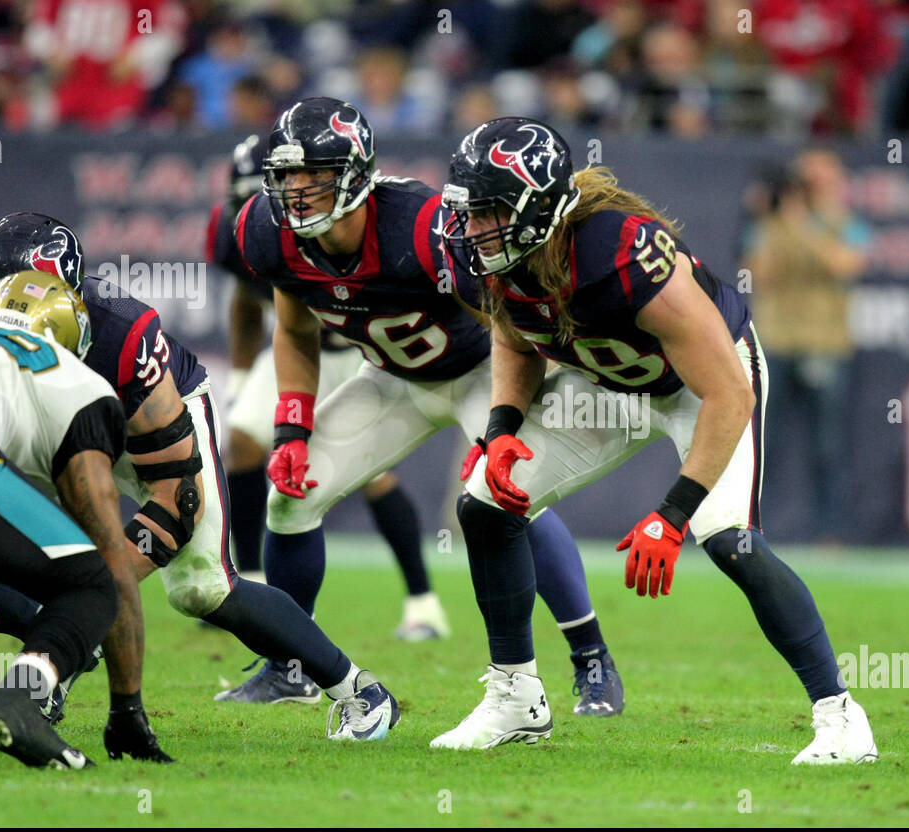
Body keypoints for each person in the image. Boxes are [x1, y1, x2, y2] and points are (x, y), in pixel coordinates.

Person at [433, 117, 877, 763]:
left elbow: (729, 394)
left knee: (732, 541)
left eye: (491, 211)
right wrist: (502, 430)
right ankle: (515, 698)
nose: (473, 228)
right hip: (607, 385)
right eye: (470, 212)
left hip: (706, 386)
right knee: (485, 504)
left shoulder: (620, 251)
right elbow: (513, 335)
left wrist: (672, 517)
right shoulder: (490, 257)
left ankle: (841, 716)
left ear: (538, 208)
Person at [233, 97, 625, 717]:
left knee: (510, 496)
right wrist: (291, 424)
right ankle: (290, 664)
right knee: (291, 496)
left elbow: (507, 326)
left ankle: (591, 658)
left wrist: (506, 424)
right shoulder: (267, 232)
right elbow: (295, 331)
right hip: (391, 380)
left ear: (355, 172)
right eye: (286, 175)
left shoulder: (422, 226)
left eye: (313, 173)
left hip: (478, 373)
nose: (295, 190)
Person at [0, 218, 397, 741]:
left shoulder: (123, 340)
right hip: (49, 426)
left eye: (13, 311)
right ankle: (58, 651)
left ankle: (358, 689)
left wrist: (102, 582)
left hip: (142, 435)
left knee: (202, 588)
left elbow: (178, 498)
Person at [210, 133, 453, 646]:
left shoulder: (385, 225)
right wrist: (238, 378)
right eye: (279, 188)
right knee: (247, 444)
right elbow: (249, 305)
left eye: (306, 185)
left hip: (353, 351)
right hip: (293, 349)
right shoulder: (249, 232)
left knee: (372, 477)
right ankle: (251, 586)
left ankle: (422, 601)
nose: (293, 202)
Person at [0, 282, 139, 768]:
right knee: (91, 584)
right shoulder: (77, 382)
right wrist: (126, 707)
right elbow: (110, 556)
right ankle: (18, 702)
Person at [744, 150, 868, 541]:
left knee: (827, 446)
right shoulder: (770, 223)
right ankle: (742, 525)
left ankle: (831, 534)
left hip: (825, 344)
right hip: (778, 341)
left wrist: (801, 225)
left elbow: (844, 266)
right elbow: (758, 275)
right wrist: (770, 220)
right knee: (761, 443)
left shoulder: (847, 223)